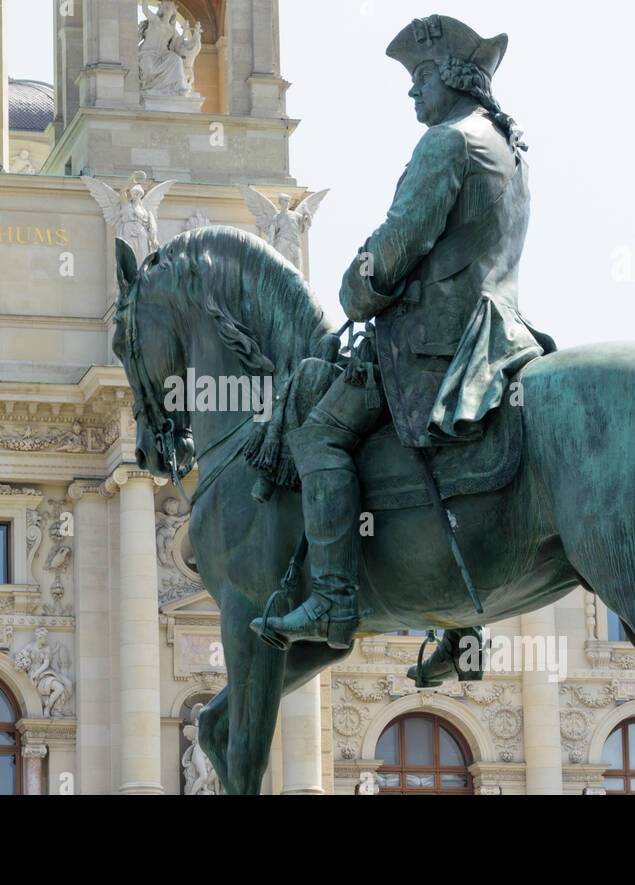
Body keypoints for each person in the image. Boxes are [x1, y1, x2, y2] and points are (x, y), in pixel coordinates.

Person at [251, 15, 555, 670]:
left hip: (432, 342)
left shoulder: (448, 144)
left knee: (318, 436)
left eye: (419, 78)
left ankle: (333, 596)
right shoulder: (509, 146)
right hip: (503, 334)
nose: (412, 93)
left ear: (450, 77)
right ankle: (462, 629)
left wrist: (357, 289)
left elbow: (399, 241)